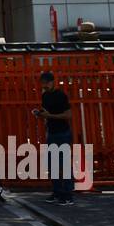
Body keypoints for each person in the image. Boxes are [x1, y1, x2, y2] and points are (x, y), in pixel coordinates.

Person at [34, 70, 75, 204]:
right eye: (43, 84)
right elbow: (47, 113)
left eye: (46, 83)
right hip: (51, 132)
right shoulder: (45, 96)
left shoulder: (61, 95)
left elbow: (68, 115)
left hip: (62, 132)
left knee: (63, 164)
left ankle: (68, 194)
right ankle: (57, 192)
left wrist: (50, 116)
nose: (44, 86)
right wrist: (41, 114)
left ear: (52, 82)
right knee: (53, 165)